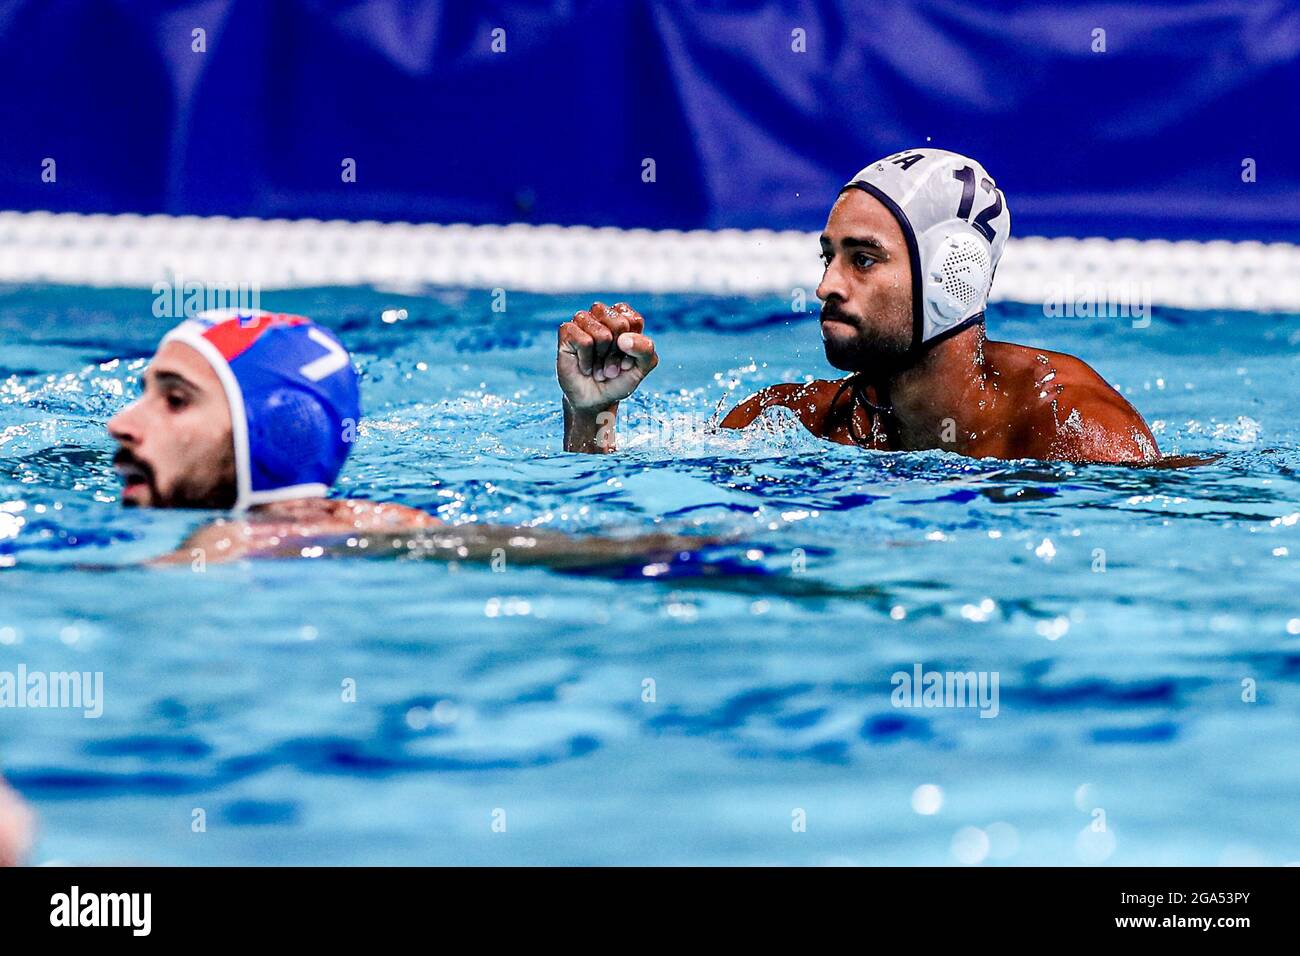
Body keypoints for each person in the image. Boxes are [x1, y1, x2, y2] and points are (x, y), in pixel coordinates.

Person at [557, 148, 1161, 464]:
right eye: (828, 257)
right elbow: (625, 524)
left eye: (863, 259)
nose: (826, 286)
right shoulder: (799, 421)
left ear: (953, 276)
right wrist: (591, 417)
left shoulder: (1069, 427)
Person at [109, 310, 700, 567]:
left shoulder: (226, 547)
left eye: (176, 399)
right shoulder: (375, 523)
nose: (123, 423)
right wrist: (587, 427)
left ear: (279, 431)